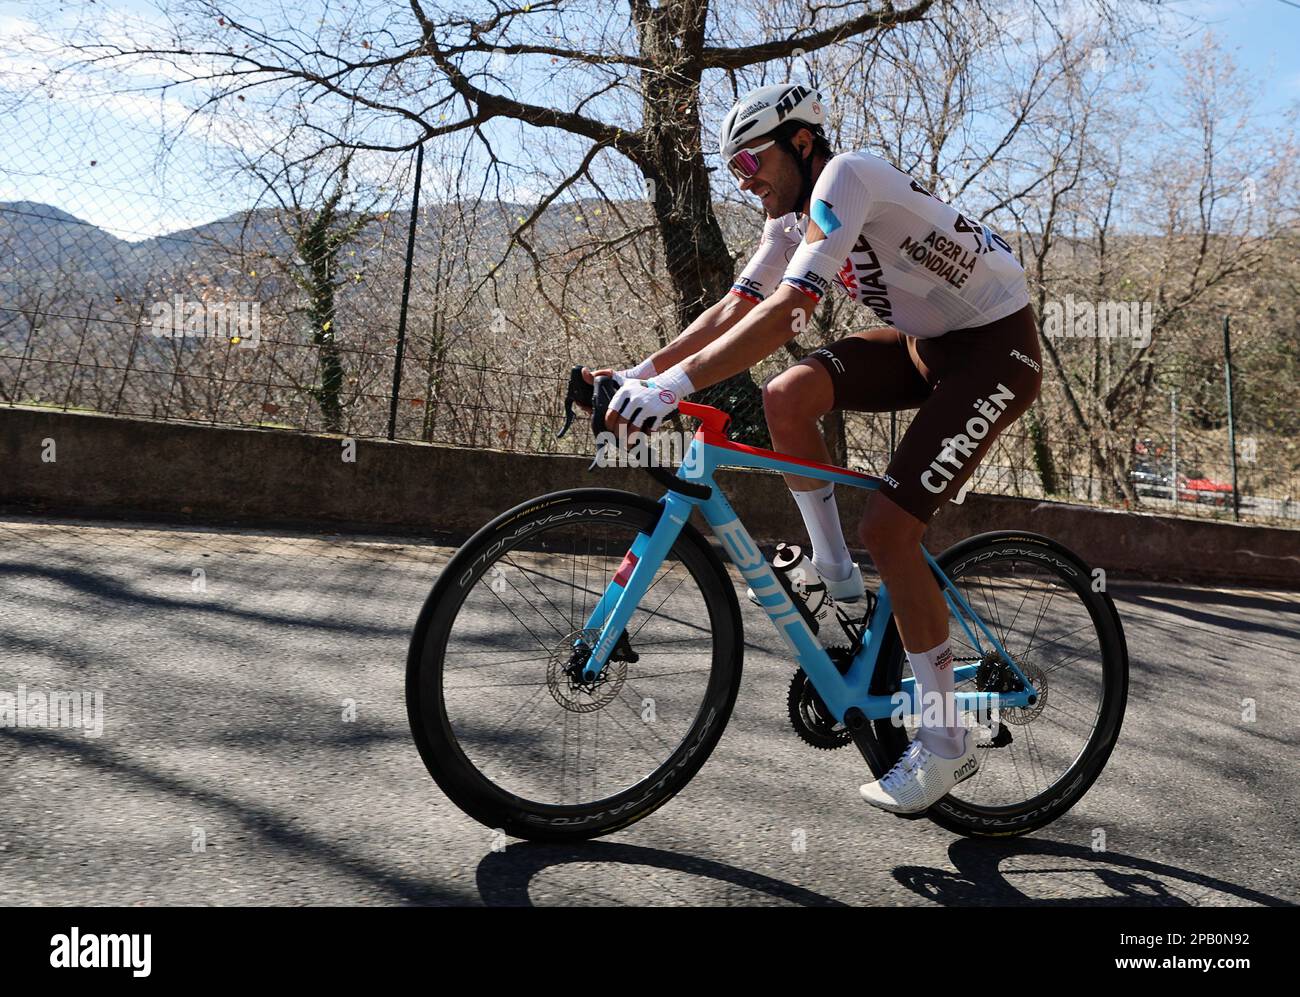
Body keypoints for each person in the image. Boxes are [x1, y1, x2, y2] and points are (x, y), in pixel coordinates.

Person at [588, 83, 1042, 814]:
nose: (745, 179)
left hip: (995, 351)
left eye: (750, 161)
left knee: (892, 529)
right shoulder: (791, 216)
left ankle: (947, 740)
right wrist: (642, 374)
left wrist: (671, 389)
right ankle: (838, 576)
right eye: (733, 169)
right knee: (785, 397)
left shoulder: (846, 177)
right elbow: (737, 308)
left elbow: (790, 312)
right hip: (929, 344)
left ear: (801, 142)